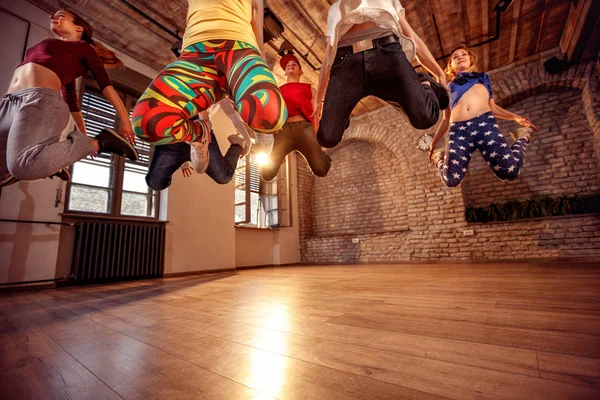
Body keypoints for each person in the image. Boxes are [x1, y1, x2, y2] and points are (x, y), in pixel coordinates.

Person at [132, 0, 287, 186]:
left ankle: (262, 128)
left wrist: (260, 65)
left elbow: (257, 17)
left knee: (269, 111)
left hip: (239, 49)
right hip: (195, 55)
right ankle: (199, 135)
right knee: (146, 122)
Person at [0, 10, 138, 188]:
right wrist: (83, 134)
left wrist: (125, 121)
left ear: (79, 27)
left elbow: (106, 86)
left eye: (61, 15)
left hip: (40, 102)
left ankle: (102, 142)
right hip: (9, 103)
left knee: (22, 166)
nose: (53, 17)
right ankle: (53, 166)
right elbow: (73, 105)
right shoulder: (64, 60)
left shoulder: (84, 48)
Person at [313, 0, 450, 149]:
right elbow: (328, 56)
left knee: (425, 118)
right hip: (346, 63)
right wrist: (318, 99)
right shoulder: (334, 9)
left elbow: (413, 38)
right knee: (327, 137)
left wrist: (438, 72)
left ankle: (423, 81)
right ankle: (341, 115)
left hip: (386, 54)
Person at [428, 47, 537, 187]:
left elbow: (492, 107)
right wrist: (434, 143)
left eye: (464, 54)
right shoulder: (447, 86)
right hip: (458, 131)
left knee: (510, 172)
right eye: (455, 56)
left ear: (470, 59)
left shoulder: (482, 78)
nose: (460, 56)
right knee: (451, 180)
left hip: (484, 124)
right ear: (451, 65)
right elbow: (445, 119)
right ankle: (439, 158)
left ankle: (522, 136)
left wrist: (516, 118)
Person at [260, 54, 331, 182]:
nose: (290, 65)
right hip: (283, 132)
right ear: (285, 72)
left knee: (321, 171)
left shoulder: (310, 89)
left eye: (294, 64)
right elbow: (273, 114)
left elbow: (316, 114)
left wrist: (317, 140)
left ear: (301, 71)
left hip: (305, 129)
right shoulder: (278, 90)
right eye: (288, 65)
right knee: (266, 174)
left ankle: (323, 155)